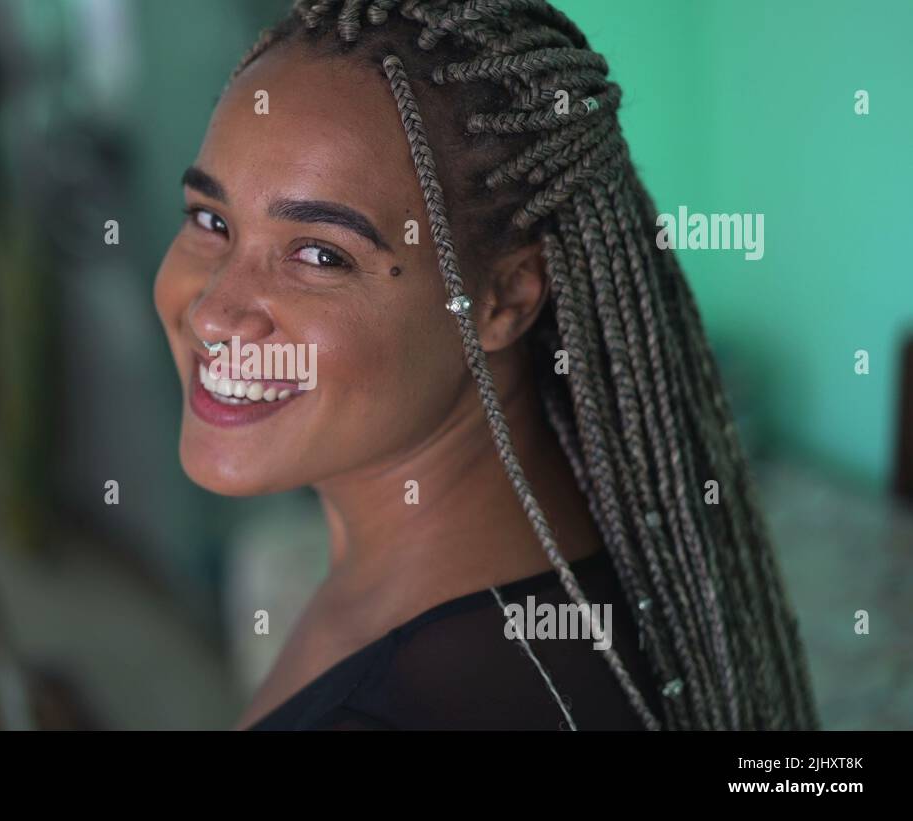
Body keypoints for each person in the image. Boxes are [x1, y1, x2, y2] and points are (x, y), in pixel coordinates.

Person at [152, 0, 817, 730]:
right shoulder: (568, 553)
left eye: (320, 254)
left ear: (506, 298)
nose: (214, 312)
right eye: (211, 221)